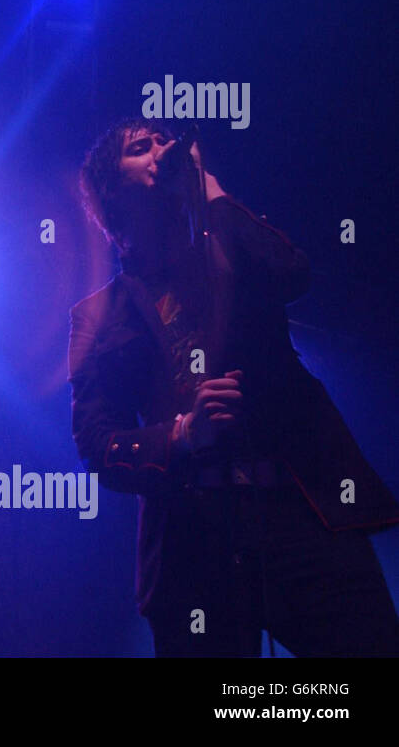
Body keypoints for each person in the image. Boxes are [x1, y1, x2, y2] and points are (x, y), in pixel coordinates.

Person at [69, 119, 399, 656]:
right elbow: (98, 444)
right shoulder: (98, 316)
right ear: (111, 189)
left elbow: (292, 274)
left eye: (162, 140)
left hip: (302, 510)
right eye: (140, 147)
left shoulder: (229, 243)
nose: (161, 148)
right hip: (194, 540)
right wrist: (181, 434)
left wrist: (212, 191)